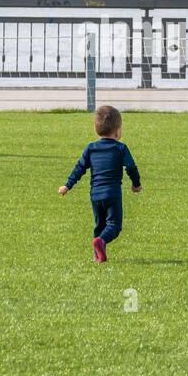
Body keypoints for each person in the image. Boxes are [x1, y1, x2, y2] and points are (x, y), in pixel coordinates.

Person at [58, 105, 142, 262]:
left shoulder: (91, 148)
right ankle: (101, 242)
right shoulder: (121, 148)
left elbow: (79, 168)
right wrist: (136, 184)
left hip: (95, 195)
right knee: (114, 226)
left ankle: (97, 256)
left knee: (100, 225)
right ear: (117, 131)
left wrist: (67, 185)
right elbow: (131, 166)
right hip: (112, 193)